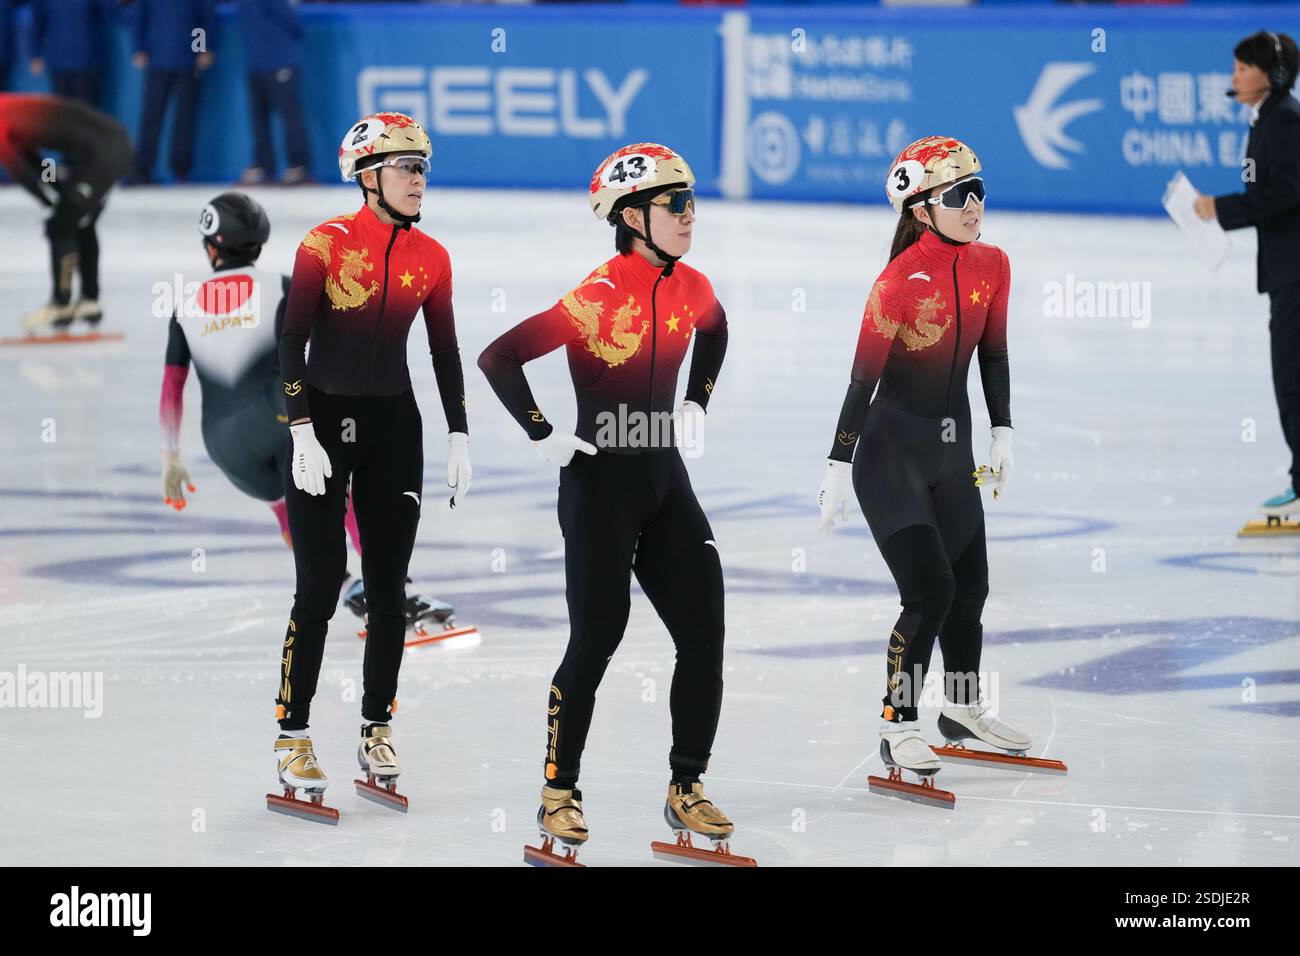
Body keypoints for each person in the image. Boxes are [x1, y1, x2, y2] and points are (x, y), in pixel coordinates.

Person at [479, 143, 733, 862]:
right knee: (597, 638)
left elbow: (716, 333)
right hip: (599, 488)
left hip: (664, 480)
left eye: (691, 201)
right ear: (631, 216)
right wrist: (542, 435)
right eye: (675, 204)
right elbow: (499, 356)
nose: (690, 215)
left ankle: (687, 785)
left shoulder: (693, 285)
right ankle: (558, 792)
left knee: (705, 635)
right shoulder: (598, 295)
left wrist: (696, 402)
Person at [269, 112, 471, 817]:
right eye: (405, 167)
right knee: (320, 584)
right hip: (321, 421)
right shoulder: (323, 244)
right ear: (367, 176)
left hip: (394, 425)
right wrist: (300, 431)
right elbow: (291, 342)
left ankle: (376, 728)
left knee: (388, 589)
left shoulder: (434, 257)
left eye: (423, 167)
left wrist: (459, 434)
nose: (419, 179)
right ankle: (292, 732)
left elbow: (445, 352)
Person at [816, 135, 1028, 795]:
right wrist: (836, 464)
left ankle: (960, 710)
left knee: (971, 591)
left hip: (953, 452)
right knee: (929, 594)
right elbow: (861, 381)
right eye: (961, 195)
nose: (976, 204)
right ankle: (896, 722)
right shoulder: (898, 280)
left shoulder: (994, 263)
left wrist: (1002, 430)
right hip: (889, 458)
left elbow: (993, 355)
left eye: (980, 190)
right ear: (922, 209)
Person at [1195, 30, 1300, 522]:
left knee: (1292, 379)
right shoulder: (1266, 120)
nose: (1233, 77)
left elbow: (1284, 192)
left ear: (1272, 75)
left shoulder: (1283, 122)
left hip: (1295, 272)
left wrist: (1221, 207)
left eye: (1242, 69)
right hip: (1284, 268)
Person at [0, 93, 132, 333]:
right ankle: (89, 301)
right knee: (80, 221)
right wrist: (55, 192)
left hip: (101, 152)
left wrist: (47, 200)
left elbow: (17, 170)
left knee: (60, 225)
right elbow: (35, 160)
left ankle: (60, 304)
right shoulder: (12, 107)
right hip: (111, 144)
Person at [128, 0, 217, 184]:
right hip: (157, 59)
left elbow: (204, 16)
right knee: (151, 116)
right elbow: (139, 15)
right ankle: (142, 169)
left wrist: (201, 49)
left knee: (185, 117)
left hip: (187, 60)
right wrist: (140, 48)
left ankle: (181, 169)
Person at [235, 0, 311, 185]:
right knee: (259, 116)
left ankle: (298, 166)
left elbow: (293, 23)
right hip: (256, 64)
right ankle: (264, 166)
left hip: (280, 61)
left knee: (289, 115)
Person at [29, 0, 115, 108]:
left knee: (86, 113)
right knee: (62, 112)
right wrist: (34, 54)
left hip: (87, 62)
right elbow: (37, 20)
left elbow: (112, 10)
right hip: (59, 62)